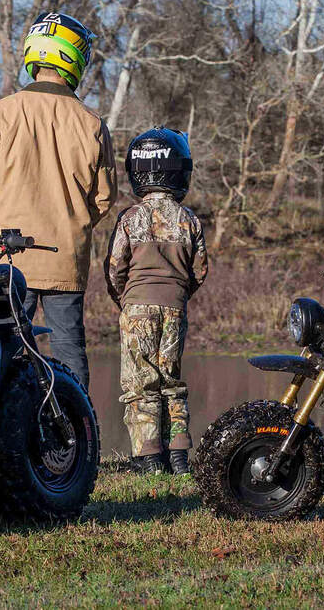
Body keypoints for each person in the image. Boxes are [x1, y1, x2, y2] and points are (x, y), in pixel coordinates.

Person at [0, 12, 115, 387]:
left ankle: (7, 423)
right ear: (75, 58)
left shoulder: (0, 113)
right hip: (66, 259)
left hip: (11, 258)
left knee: (5, 350)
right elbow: (103, 197)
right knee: (70, 351)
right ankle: (79, 421)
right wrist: (71, 225)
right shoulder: (91, 122)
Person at [104, 127, 208, 475]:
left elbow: (114, 268)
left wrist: (126, 300)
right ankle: (178, 455)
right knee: (171, 381)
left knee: (141, 384)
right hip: (175, 308)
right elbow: (200, 270)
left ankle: (149, 459)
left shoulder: (130, 218)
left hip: (136, 307)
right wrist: (178, 294)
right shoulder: (189, 219)